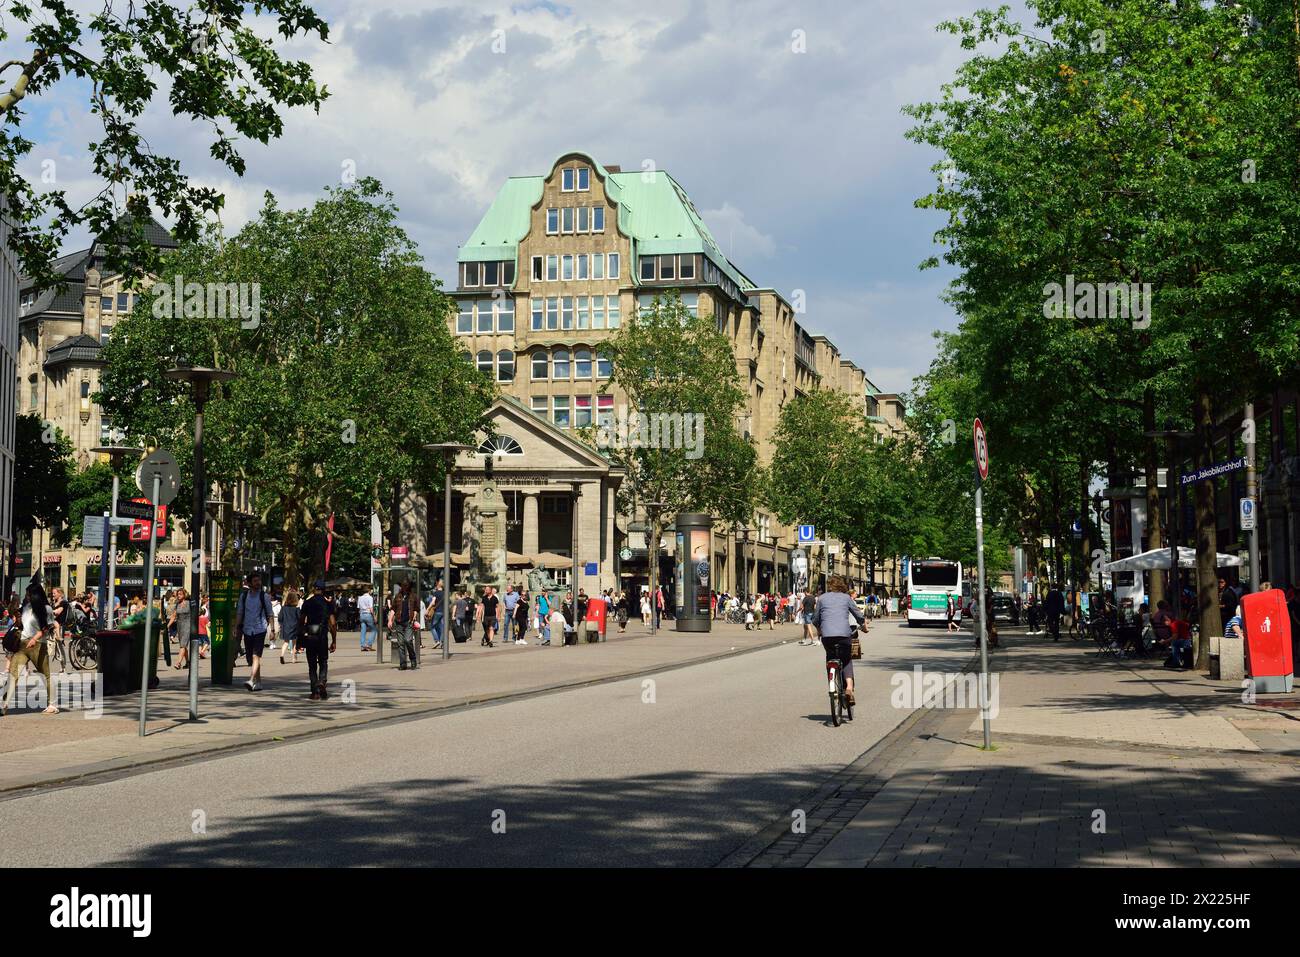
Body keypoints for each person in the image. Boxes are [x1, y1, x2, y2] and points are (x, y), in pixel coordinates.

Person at [2, 581, 58, 715]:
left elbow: (49, 626)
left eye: (28, 594)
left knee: (46, 676)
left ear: (35, 595)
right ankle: (4, 705)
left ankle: (53, 705)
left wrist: (35, 638)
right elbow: (18, 620)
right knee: (13, 674)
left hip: (38, 645)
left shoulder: (46, 609)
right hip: (22, 645)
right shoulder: (27, 607)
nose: (26, 597)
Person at [814, 576, 864, 707]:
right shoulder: (846, 598)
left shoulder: (822, 598)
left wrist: (819, 629)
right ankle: (849, 687)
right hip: (844, 635)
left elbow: (815, 618)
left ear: (829, 586)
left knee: (830, 657)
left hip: (827, 636)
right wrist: (863, 625)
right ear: (841, 586)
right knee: (846, 659)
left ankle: (832, 684)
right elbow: (858, 614)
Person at [234, 572, 274, 692]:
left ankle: (252, 680)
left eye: (259, 581)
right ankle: (259, 682)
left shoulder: (264, 596)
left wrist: (272, 630)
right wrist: (236, 627)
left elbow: (270, 614)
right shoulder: (244, 596)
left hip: (260, 629)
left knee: (256, 655)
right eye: (255, 581)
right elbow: (240, 613)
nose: (258, 583)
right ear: (250, 583)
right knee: (251, 659)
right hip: (247, 629)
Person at [301, 581, 337, 700]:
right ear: (323, 590)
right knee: (323, 661)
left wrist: (300, 637)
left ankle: (314, 692)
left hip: (310, 636)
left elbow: (301, 621)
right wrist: (334, 640)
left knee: (312, 665)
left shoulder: (307, 603)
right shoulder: (328, 604)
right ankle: (322, 681)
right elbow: (333, 623)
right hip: (322, 637)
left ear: (314, 589)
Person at [389, 579, 420, 670]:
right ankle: (403, 663)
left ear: (409, 587)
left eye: (406, 586)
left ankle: (413, 659)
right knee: (400, 643)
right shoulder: (398, 596)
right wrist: (390, 620)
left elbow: (416, 609)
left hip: (409, 622)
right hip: (399, 622)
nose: (404, 587)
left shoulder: (413, 596)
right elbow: (393, 609)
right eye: (403, 586)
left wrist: (414, 615)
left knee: (408, 640)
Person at [170, 588, 194, 670]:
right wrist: (167, 625)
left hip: (188, 625)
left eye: (180, 594)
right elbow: (173, 616)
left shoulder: (189, 603)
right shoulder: (177, 604)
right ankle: (188, 662)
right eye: (178, 594)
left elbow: (195, 613)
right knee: (183, 646)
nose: (178, 596)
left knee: (183, 645)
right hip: (179, 626)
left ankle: (178, 663)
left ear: (184, 595)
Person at [279, 588, 303, 665]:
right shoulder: (296, 608)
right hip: (294, 626)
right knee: (294, 643)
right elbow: (300, 618)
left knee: (286, 642)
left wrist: (281, 624)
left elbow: (280, 618)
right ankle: (293, 658)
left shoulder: (283, 608)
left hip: (285, 626)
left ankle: (282, 655)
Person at [357, 584, 376, 652]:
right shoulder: (370, 598)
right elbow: (371, 608)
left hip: (362, 614)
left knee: (363, 631)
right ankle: (369, 644)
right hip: (368, 614)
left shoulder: (360, 598)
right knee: (374, 630)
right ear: (368, 590)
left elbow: (359, 608)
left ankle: (362, 646)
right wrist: (374, 616)